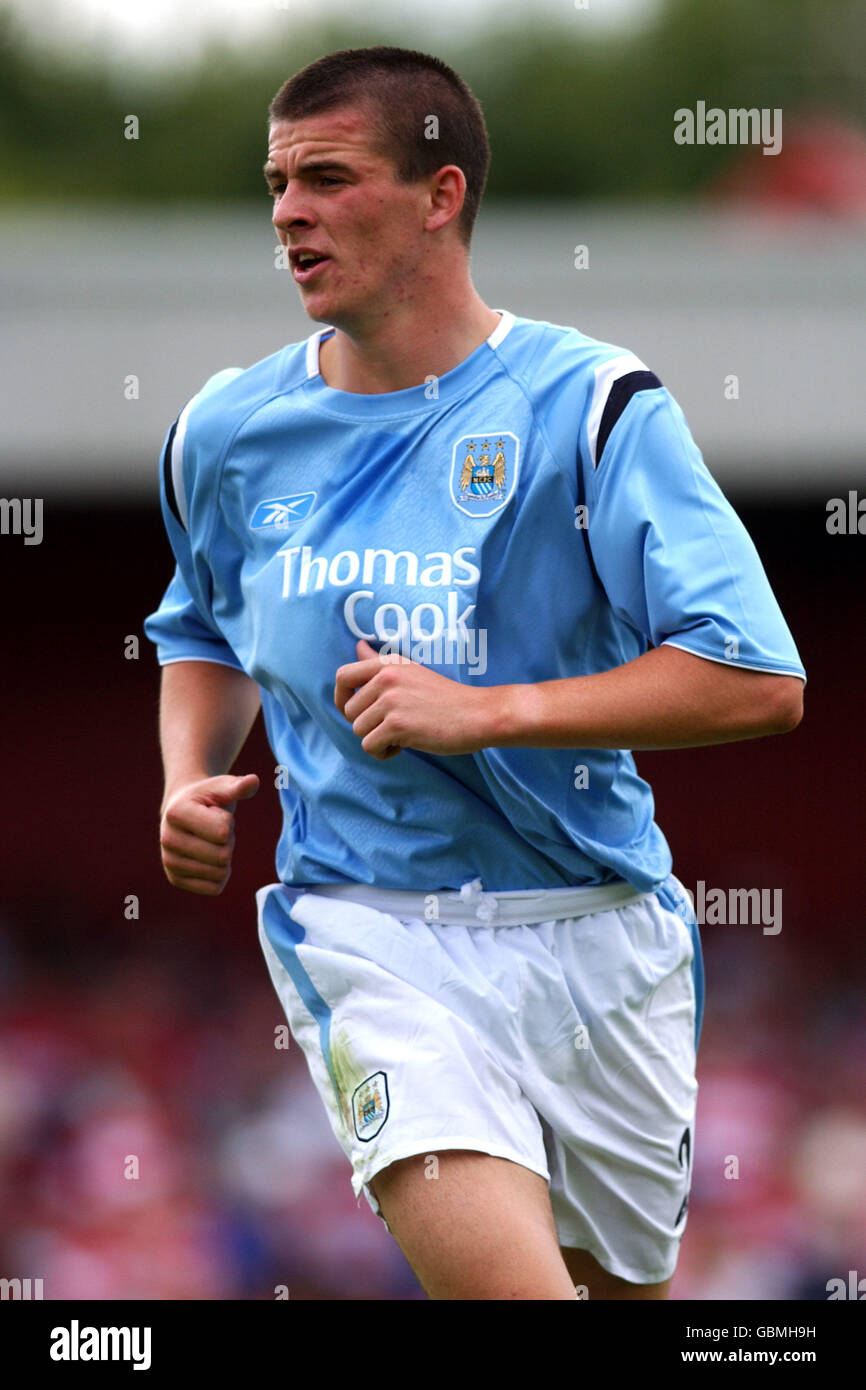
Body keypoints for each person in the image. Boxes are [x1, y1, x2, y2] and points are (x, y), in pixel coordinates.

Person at [143, 45, 806, 1301]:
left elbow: (756, 677)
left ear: (439, 196)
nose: (288, 211)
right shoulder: (224, 432)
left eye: (328, 179)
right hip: (370, 931)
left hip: (599, 935)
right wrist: (187, 772)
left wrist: (488, 713)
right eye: (278, 183)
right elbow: (202, 626)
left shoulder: (592, 406)